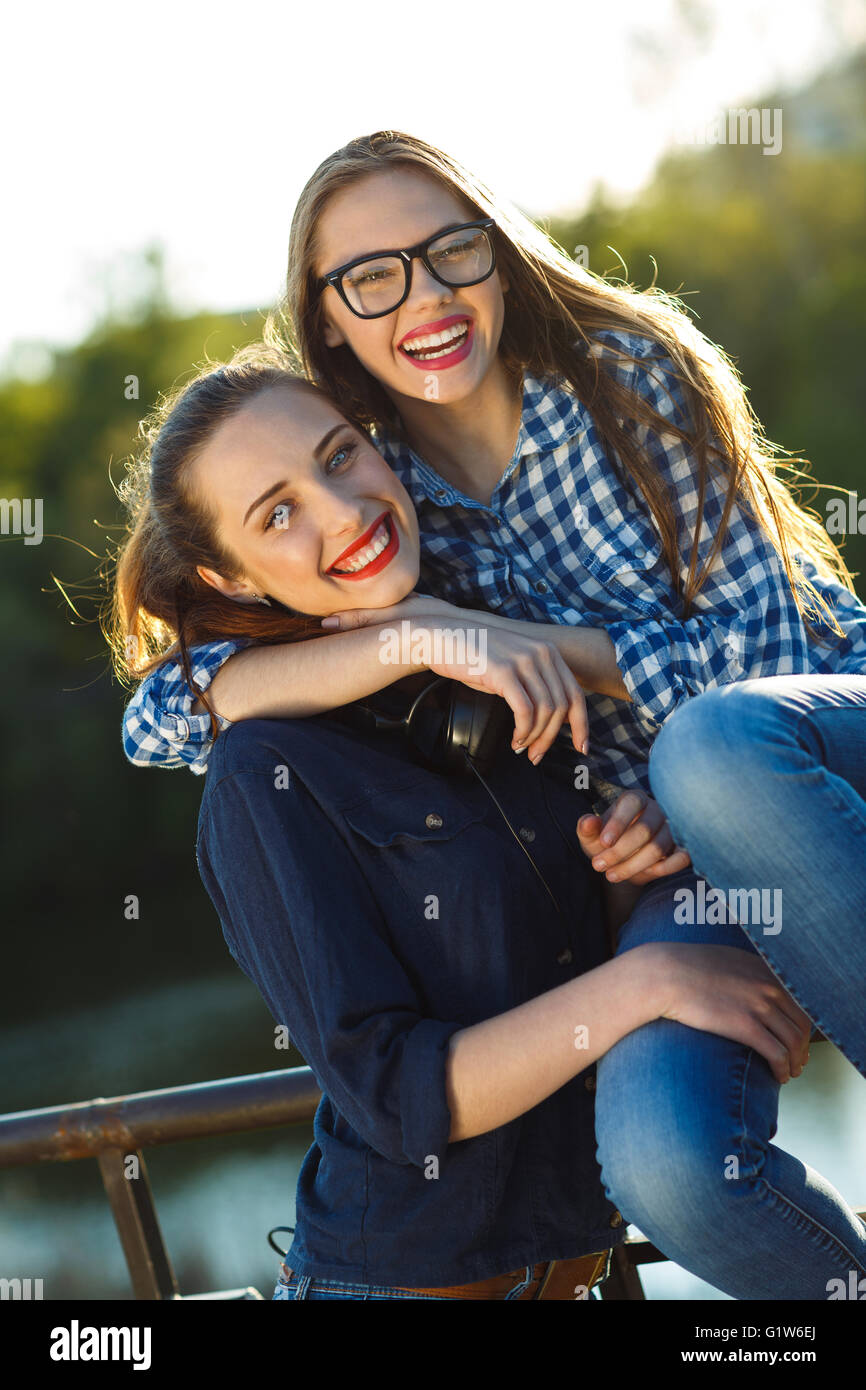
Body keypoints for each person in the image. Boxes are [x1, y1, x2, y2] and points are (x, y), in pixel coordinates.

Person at [119, 129, 866, 1297]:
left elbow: (755, 663)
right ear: (327, 321)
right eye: (372, 276)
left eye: (449, 250)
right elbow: (160, 716)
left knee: (719, 749)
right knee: (668, 1158)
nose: (424, 295)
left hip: (815, 747)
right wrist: (422, 634)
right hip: (680, 857)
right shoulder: (375, 491)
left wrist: (532, 649)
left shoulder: (624, 377)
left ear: (495, 250)